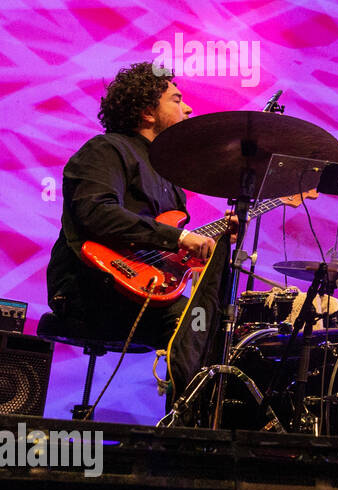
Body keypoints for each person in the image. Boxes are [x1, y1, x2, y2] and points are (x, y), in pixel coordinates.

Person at [47, 62, 216, 379]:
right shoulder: (106, 149)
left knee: (213, 319)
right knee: (197, 323)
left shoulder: (170, 177)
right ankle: (182, 426)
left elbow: (167, 252)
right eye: (177, 100)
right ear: (148, 112)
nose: (189, 108)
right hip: (91, 289)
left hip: (144, 290)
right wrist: (179, 238)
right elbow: (95, 212)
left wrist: (210, 242)